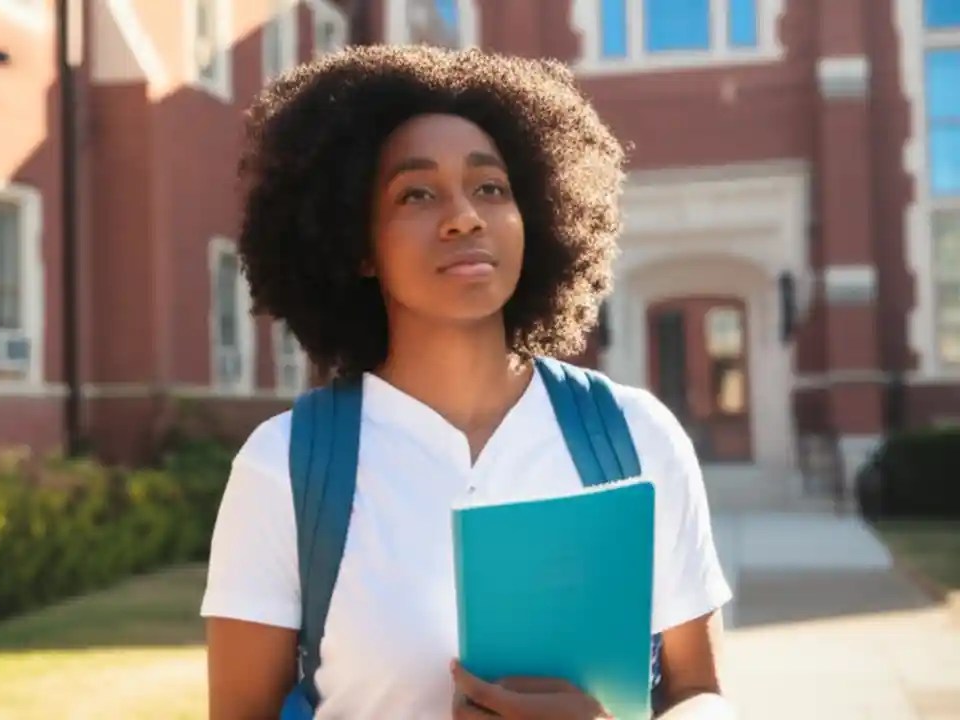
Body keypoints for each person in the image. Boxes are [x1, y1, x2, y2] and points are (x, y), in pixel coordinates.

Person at [202, 45, 734, 720]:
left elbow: (701, 693)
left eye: (490, 188)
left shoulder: (636, 436)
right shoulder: (284, 467)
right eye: (416, 194)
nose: (465, 217)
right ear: (358, 244)